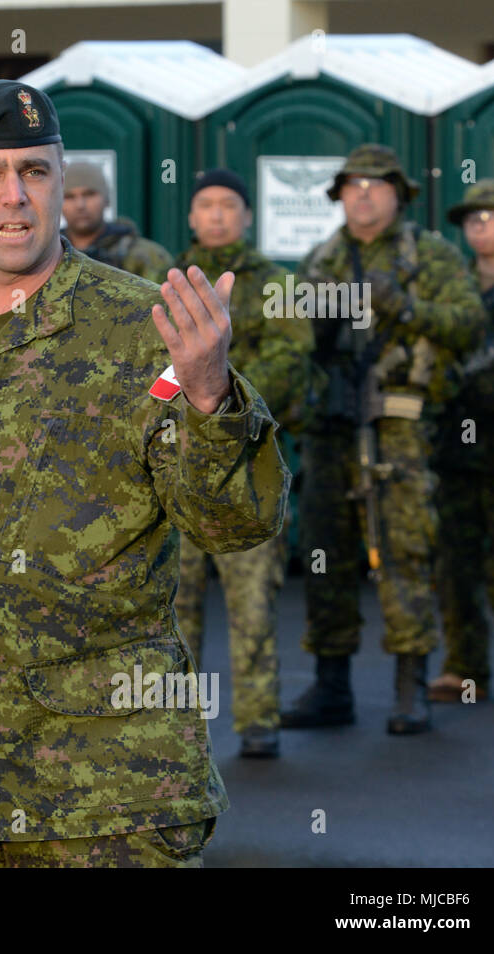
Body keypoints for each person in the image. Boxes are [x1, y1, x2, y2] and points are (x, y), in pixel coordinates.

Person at [0, 80, 289, 867]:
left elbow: (238, 523)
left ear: (62, 179)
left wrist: (209, 394)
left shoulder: (150, 330)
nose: (15, 198)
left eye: (34, 171)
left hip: (116, 795)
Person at [286, 144, 486, 735]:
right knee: (324, 553)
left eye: (377, 184)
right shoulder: (321, 260)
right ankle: (330, 687)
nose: (365, 194)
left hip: (399, 425)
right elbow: (290, 340)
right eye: (353, 185)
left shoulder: (429, 255)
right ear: (340, 195)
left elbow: (469, 325)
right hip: (333, 425)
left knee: (406, 550)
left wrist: (406, 305)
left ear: (399, 193)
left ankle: (410, 688)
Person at [172, 168, 314, 758]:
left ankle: (258, 721)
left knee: (253, 602)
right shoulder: (169, 283)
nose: (217, 215)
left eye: (229, 205)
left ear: (248, 215)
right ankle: (178, 725)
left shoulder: (279, 284)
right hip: (179, 472)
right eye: (206, 205)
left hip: (248, 468)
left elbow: (292, 360)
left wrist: (218, 387)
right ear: (191, 216)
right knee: (174, 608)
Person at [428, 180, 494, 706]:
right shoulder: (455, 285)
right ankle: (464, 668)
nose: (479, 227)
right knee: (454, 559)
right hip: (457, 441)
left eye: (490, 216)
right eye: (471, 219)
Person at [61, 160, 173, 284]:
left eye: (89, 194)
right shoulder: (49, 257)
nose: (80, 205)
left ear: (106, 199)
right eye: (69, 197)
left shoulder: (148, 257)